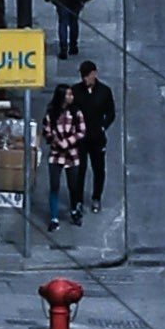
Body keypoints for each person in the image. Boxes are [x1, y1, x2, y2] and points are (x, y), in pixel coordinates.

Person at [65, 58, 114, 218]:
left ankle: (96, 197)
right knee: (80, 169)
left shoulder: (104, 92)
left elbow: (111, 113)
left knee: (98, 169)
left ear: (95, 74)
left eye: (88, 75)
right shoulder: (76, 91)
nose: (85, 79)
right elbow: (69, 111)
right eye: (83, 76)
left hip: (97, 138)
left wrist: (103, 126)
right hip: (80, 139)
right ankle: (78, 199)